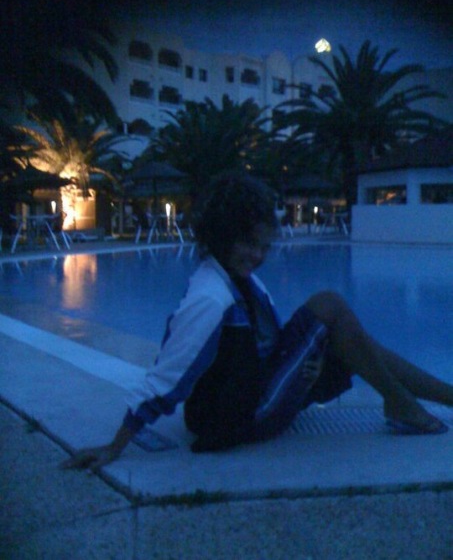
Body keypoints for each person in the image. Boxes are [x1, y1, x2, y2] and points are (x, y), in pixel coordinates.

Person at [62, 173, 453, 470]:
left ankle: (439, 398)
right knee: (330, 304)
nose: (257, 255)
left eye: (264, 246)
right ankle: (401, 404)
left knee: (353, 339)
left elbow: (268, 345)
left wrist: (311, 364)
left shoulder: (241, 281)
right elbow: (168, 375)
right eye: (248, 243)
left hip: (253, 393)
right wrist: (116, 446)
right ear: (222, 234)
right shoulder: (209, 297)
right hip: (238, 418)